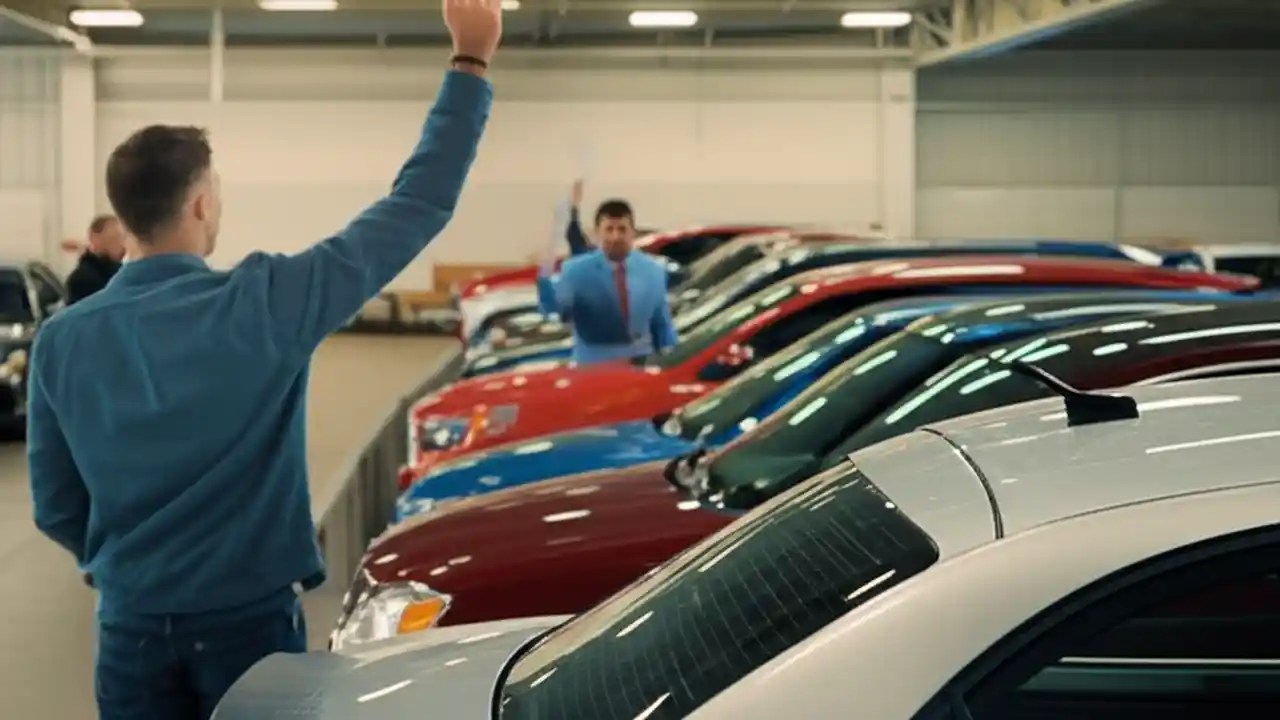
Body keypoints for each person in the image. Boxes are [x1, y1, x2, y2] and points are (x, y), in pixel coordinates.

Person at [25, 1, 501, 717]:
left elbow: (57, 505)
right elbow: (419, 203)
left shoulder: (63, 339)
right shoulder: (269, 302)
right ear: (200, 204)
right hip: (248, 628)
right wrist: (471, 59)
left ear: (123, 215)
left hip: (129, 627)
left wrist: (133, 571)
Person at [536, 199, 677, 365]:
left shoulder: (653, 270)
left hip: (640, 370)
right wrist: (545, 275)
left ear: (633, 233)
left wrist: (670, 358)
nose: (615, 237)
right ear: (597, 234)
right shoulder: (576, 271)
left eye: (622, 229)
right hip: (595, 371)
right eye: (609, 229)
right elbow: (554, 310)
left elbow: (661, 324)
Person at [66, 214, 127, 304]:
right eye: (114, 238)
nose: (122, 245)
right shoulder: (84, 278)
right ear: (94, 238)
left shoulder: (120, 272)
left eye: (123, 239)